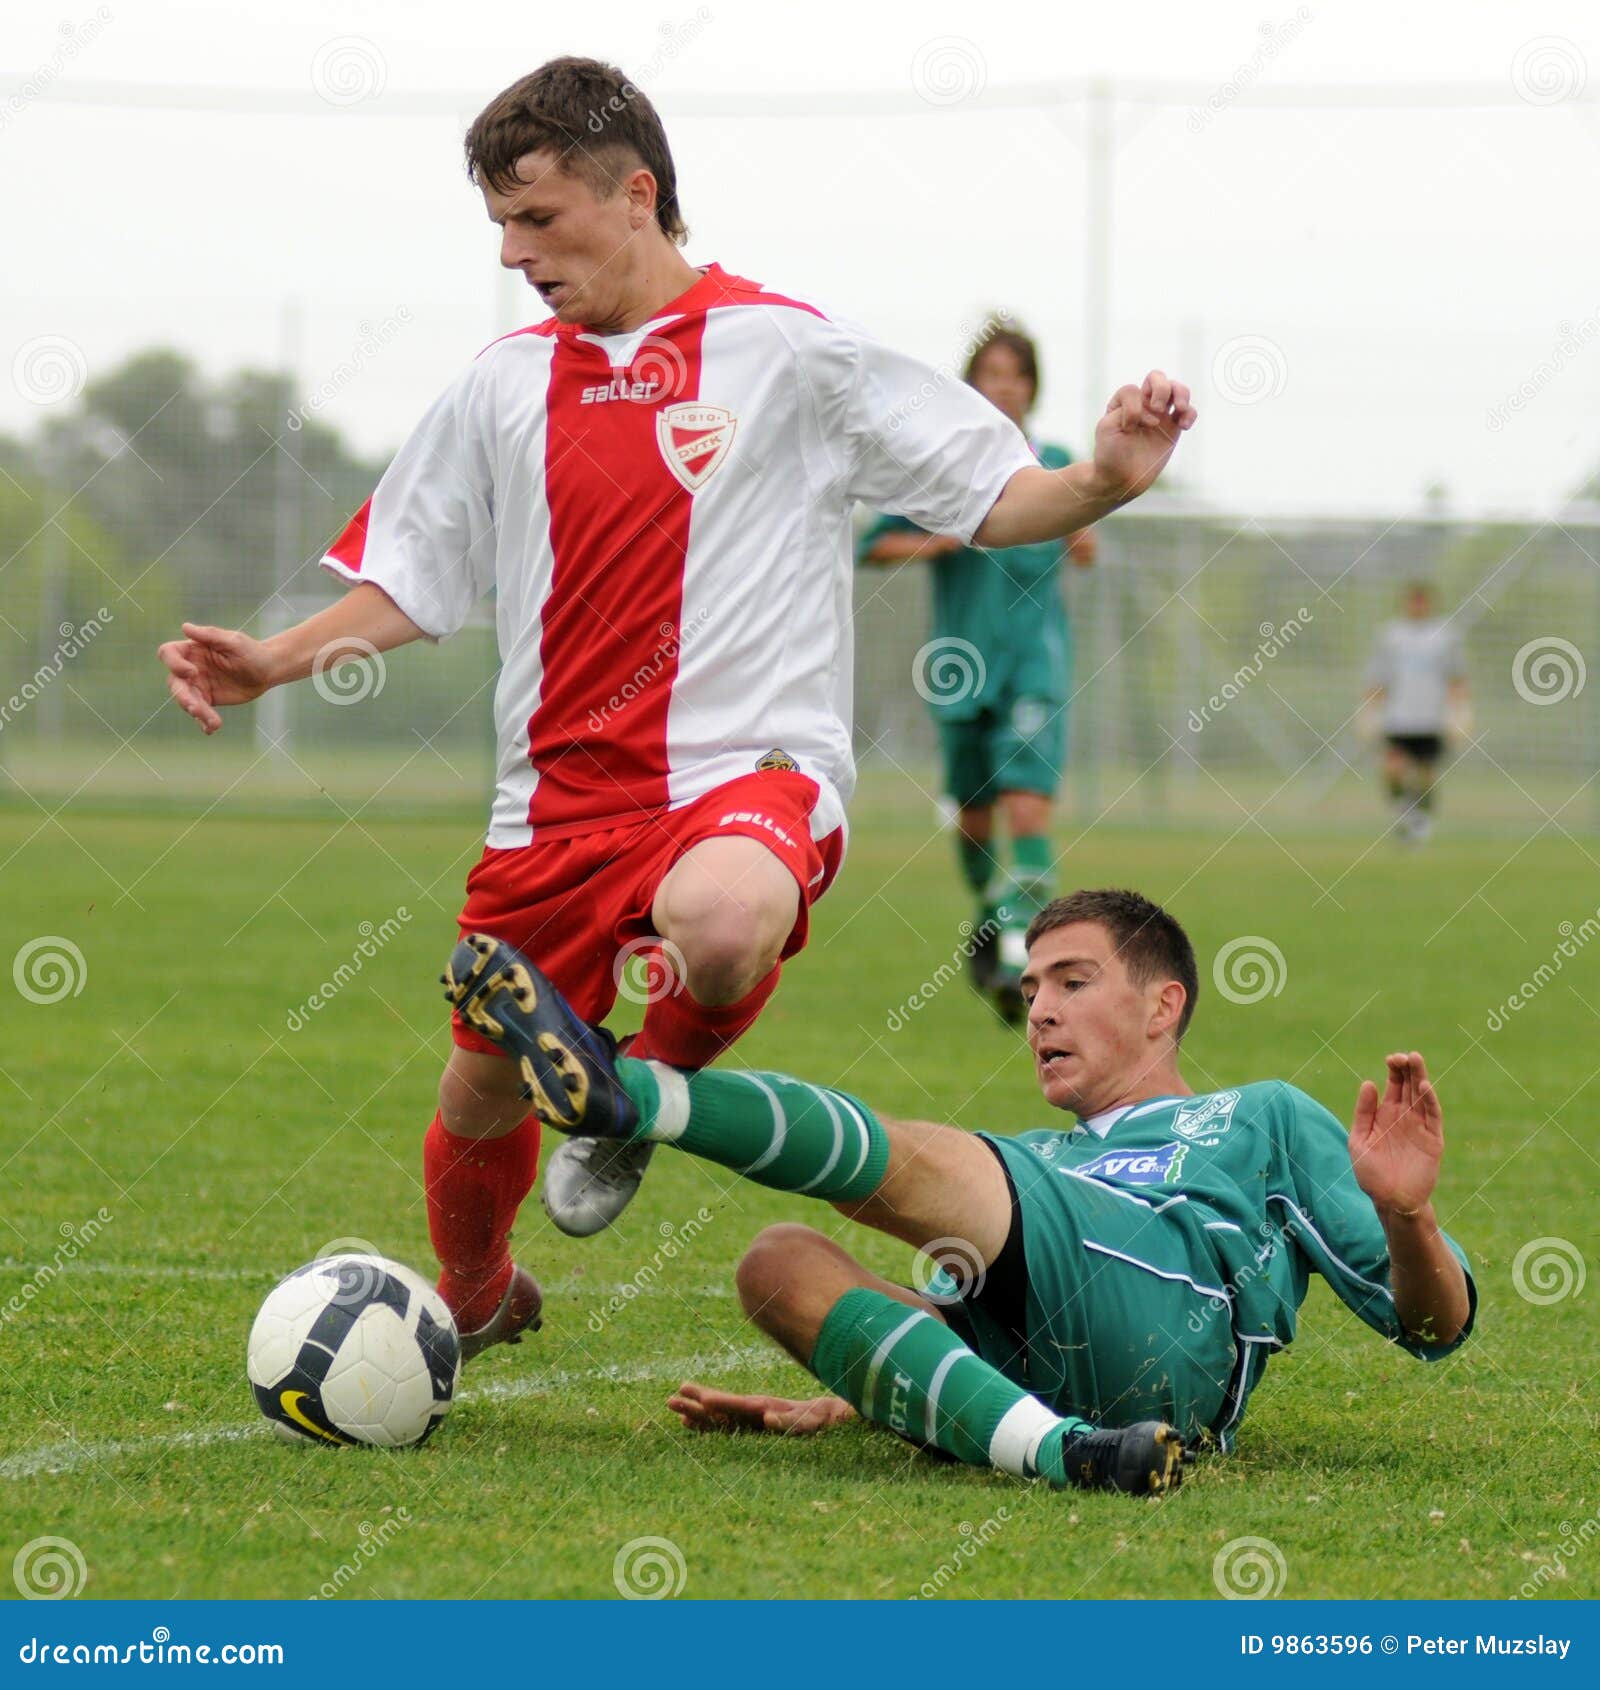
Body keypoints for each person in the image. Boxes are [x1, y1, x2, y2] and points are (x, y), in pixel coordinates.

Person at [156, 56, 1196, 1359]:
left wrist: (1104, 476)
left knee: (722, 920)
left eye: (538, 220)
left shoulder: (790, 351)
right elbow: (413, 580)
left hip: (745, 771)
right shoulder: (499, 388)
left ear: (636, 193)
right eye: (499, 227)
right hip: (554, 806)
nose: (516, 254)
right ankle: (473, 1292)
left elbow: (995, 498)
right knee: (479, 1086)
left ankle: (627, 1099)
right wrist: (274, 657)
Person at [443, 887, 1475, 1494]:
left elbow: (1436, 1323)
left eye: (1071, 982)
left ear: (1164, 1005)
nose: (1038, 1011)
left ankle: (629, 1095)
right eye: (1028, 991)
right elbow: (965, 1316)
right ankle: (1063, 1455)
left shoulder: (1256, 1115)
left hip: (1176, 1323)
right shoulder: (1046, 1157)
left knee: (934, 1164)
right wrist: (851, 1394)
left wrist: (1406, 1211)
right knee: (775, 1265)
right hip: (1060, 1382)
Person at [859, 323, 1095, 1023]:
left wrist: (1081, 531)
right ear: (973, 383)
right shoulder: (942, 465)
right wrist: (943, 539)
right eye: (992, 372)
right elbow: (875, 546)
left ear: (1032, 386)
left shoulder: (1055, 464)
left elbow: (1085, 546)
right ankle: (992, 909)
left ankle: (1021, 957)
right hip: (960, 670)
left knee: (1027, 804)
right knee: (973, 819)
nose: (1005, 385)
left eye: (1017, 374)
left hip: (1034, 666)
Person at [1362, 581, 1470, 844]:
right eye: (1413, 601)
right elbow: (1377, 679)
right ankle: (1404, 813)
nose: (1418, 606)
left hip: (1431, 719)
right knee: (1394, 768)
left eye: (1423, 601)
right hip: (1398, 718)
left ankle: (1421, 821)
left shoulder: (1445, 636)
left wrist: (1461, 713)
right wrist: (1368, 713)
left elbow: (1456, 678)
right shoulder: (1390, 636)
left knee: (1426, 774)